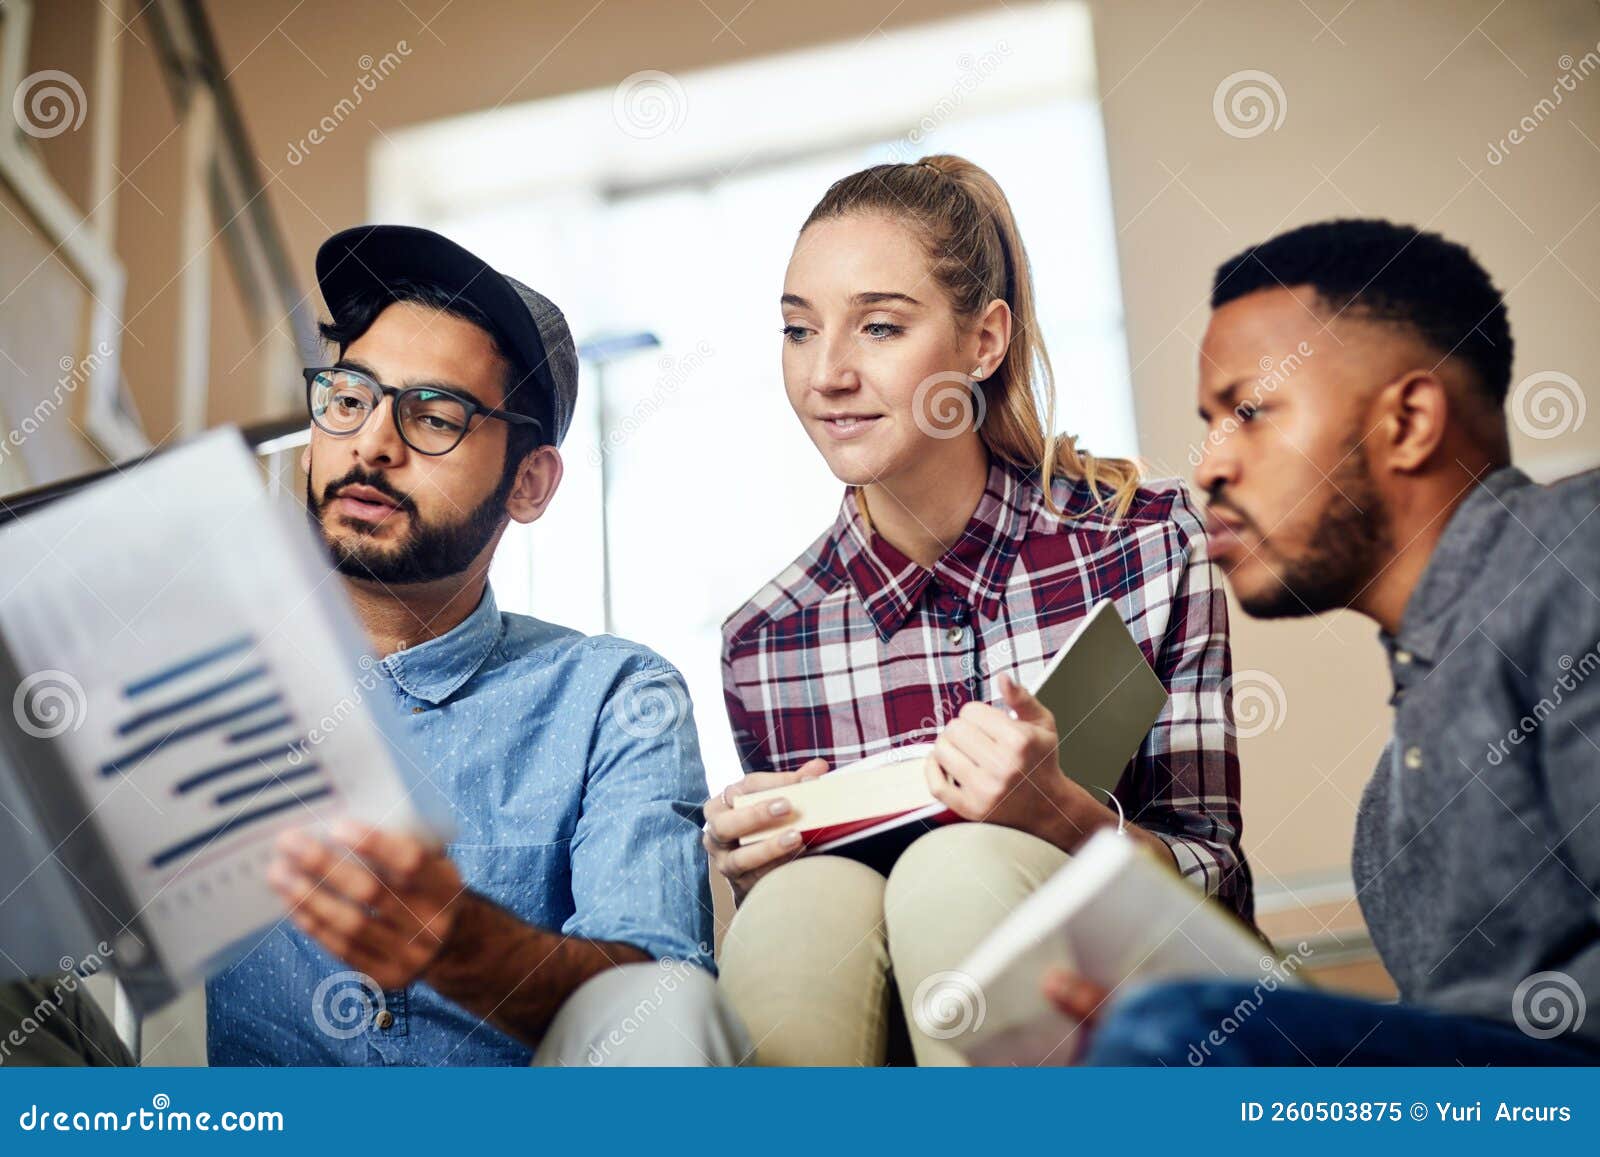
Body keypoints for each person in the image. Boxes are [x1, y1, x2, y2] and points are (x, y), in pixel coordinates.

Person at [705, 155, 1252, 1066]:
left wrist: (1060, 816)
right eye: (799, 331)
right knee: (795, 912)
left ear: (984, 341)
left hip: (1137, 1015)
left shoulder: (1147, 544)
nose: (827, 372)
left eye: (878, 326)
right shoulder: (765, 641)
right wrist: (758, 871)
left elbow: (1218, 891)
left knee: (955, 869)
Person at [1052, 218, 1600, 1065]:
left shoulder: (1580, 554)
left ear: (1410, 421)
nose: (1209, 466)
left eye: (1250, 411)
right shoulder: (1388, 815)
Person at [207, 225, 748, 1067]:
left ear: (528, 482)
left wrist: (461, 943)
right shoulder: (203, 683)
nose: (373, 445)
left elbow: (653, 1002)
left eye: (433, 416)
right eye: (350, 398)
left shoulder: (615, 695)